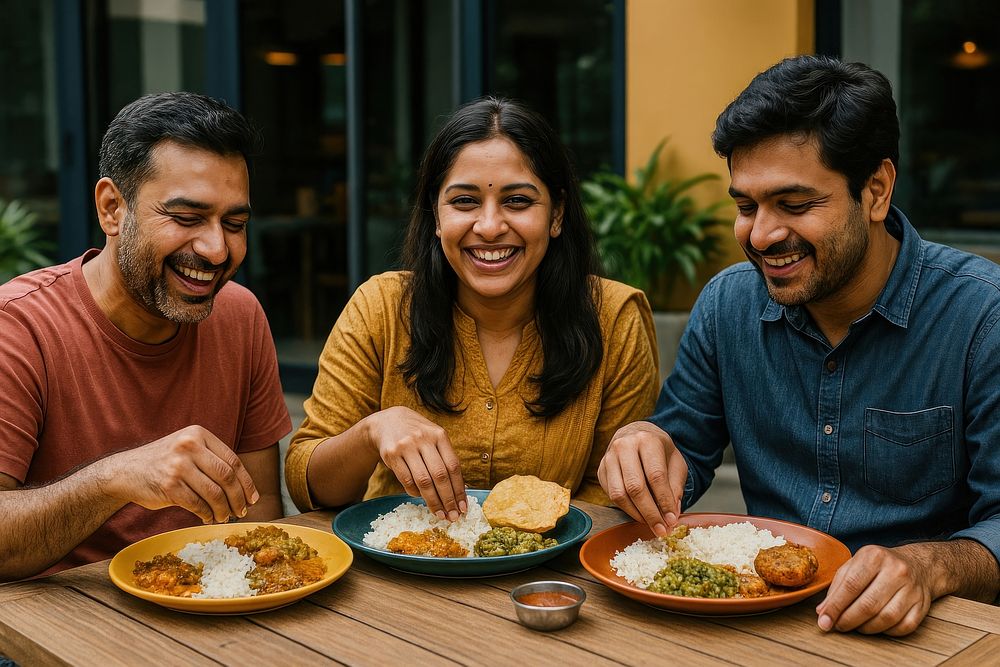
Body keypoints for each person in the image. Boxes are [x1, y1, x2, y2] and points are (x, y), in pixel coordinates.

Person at [598, 55, 1000, 636]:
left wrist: (931, 565)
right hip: (758, 621)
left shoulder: (981, 316)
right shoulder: (726, 305)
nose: (761, 236)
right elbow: (679, 449)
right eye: (745, 206)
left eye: (794, 204)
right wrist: (645, 445)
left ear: (877, 190)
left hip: (922, 634)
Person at [285, 97, 658, 518]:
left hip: (551, 576)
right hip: (397, 570)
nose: (490, 226)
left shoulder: (613, 317)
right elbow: (306, 482)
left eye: (518, 201)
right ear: (437, 216)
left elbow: (615, 495)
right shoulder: (381, 308)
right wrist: (373, 431)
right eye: (464, 201)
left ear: (557, 215)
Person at [0, 92, 291, 581]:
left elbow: (259, 521)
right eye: (186, 218)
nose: (217, 250)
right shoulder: (19, 326)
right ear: (113, 208)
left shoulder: (239, 315)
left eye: (235, 223)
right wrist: (114, 479)